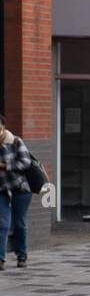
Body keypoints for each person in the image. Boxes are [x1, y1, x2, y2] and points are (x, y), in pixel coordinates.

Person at [0, 113, 36, 270]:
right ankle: (0, 259)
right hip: (2, 189)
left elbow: (26, 162)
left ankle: (21, 255)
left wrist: (5, 166)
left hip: (21, 188)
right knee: (2, 223)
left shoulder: (15, 141)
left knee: (19, 223)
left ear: (3, 127)